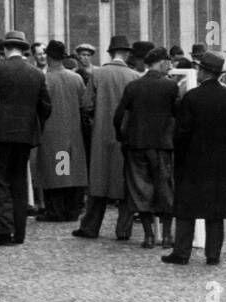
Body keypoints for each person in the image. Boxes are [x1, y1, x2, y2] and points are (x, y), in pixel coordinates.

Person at [162, 52, 226, 266]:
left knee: (186, 209)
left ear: (204, 71)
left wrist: (181, 156)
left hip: (192, 162)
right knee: (215, 212)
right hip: (219, 163)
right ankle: (213, 254)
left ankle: (181, 252)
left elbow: (181, 133)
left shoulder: (192, 97)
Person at [0, 30, 51, 245]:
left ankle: (4, 232)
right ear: (24, 50)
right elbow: (46, 106)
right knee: (19, 182)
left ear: (4, 49)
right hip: (24, 136)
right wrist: (33, 125)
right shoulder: (36, 74)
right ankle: (20, 233)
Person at [74, 35, 139, 240]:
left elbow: (86, 105)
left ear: (110, 53)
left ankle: (90, 227)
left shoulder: (98, 74)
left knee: (98, 182)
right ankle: (123, 230)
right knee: (125, 182)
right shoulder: (134, 76)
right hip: (126, 136)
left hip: (101, 135)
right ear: (127, 53)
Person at [114, 46, 179, 248]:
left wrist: (122, 137)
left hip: (137, 145)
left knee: (140, 189)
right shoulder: (171, 87)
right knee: (165, 188)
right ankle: (167, 236)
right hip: (162, 146)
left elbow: (118, 117)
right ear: (162, 63)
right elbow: (178, 115)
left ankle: (149, 236)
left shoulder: (133, 87)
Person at [36, 40, 90, 222]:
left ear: (49, 56)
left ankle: (58, 211)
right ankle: (72, 208)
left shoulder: (43, 78)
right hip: (73, 133)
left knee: (60, 173)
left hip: (53, 134)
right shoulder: (76, 78)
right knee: (70, 172)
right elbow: (85, 104)